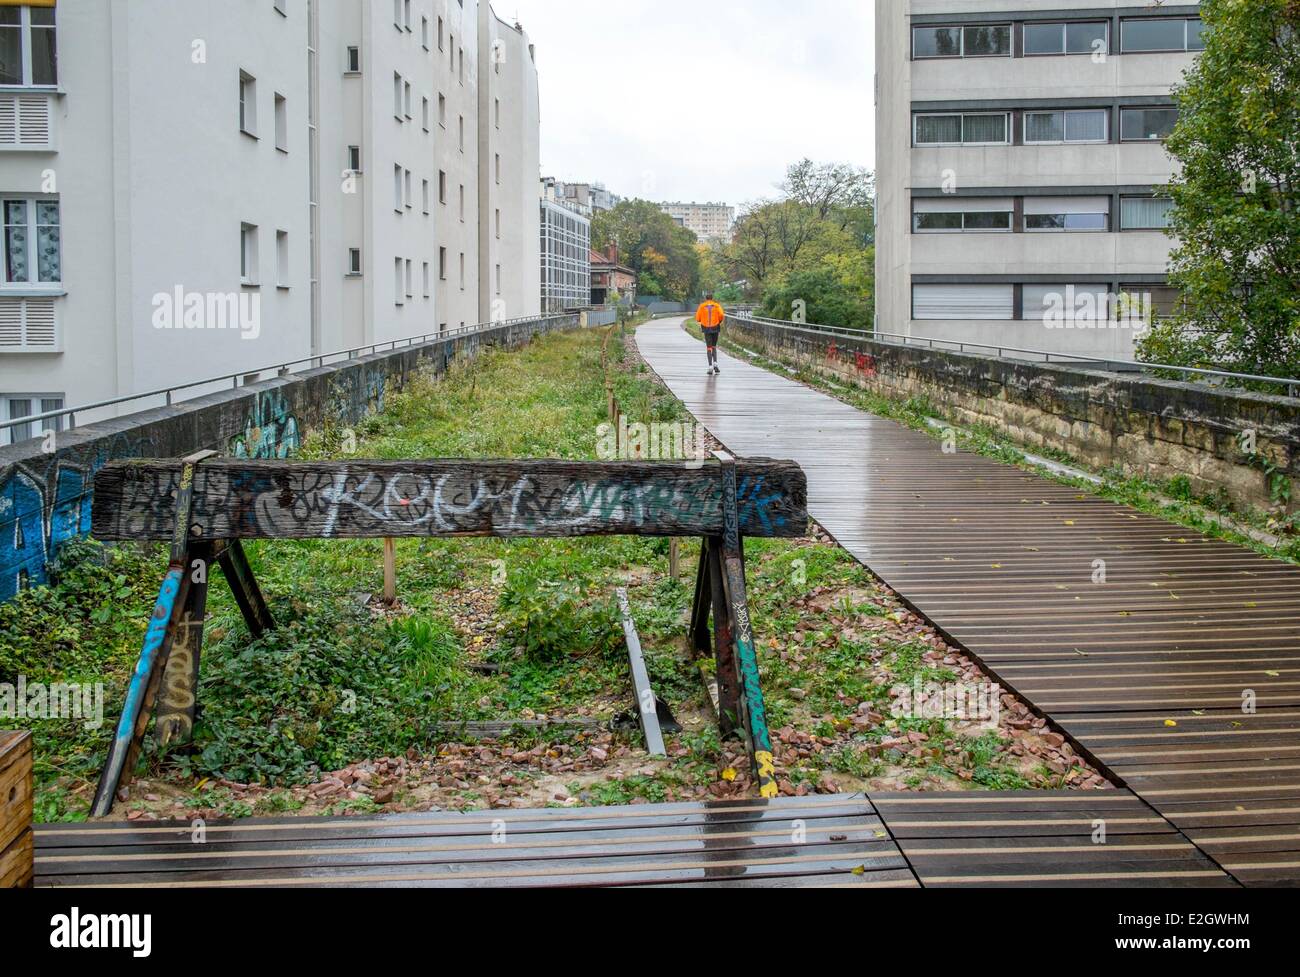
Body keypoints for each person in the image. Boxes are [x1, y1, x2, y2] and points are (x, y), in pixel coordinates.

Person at [695, 294, 726, 375]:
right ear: (712, 298)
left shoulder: (702, 306)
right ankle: (715, 363)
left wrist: (702, 320)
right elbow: (721, 315)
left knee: (709, 347)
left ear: (706, 298)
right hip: (715, 327)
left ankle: (710, 367)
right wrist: (718, 321)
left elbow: (697, 318)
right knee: (714, 346)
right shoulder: (717, 305)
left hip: (706, 328)